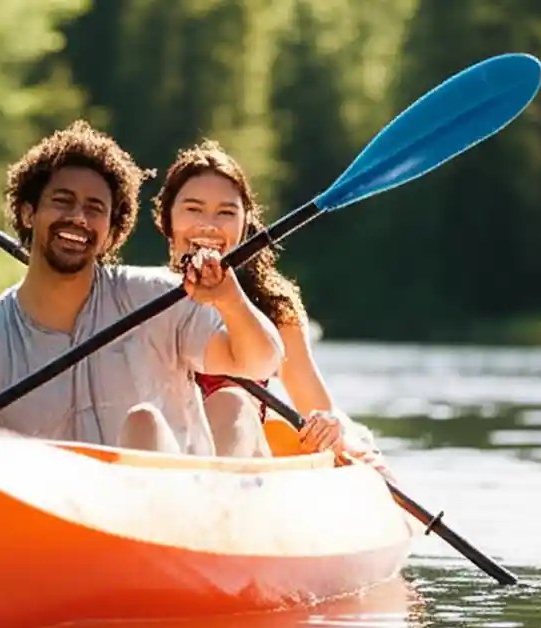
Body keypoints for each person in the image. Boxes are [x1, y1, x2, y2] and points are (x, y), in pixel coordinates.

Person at [0, 121, 284, 486]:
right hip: (52, 532)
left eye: (94, 208)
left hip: (184, 519)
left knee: (144, 425)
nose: (79, 218)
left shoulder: (159, 299)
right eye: (63, 201)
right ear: (27, 214)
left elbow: (260, 361)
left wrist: (229, 300)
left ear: (112, 231)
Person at [152, 139, 382, 462]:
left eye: (226, 212)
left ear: (245, 225)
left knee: (230, 402)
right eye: (193, 209)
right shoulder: (138, 294)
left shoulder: (273, 305)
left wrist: (329, 426)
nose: (209, 224)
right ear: (167, 220)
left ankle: (212, 496)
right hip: (159, 453)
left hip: (243, 460)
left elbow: (317, 406)